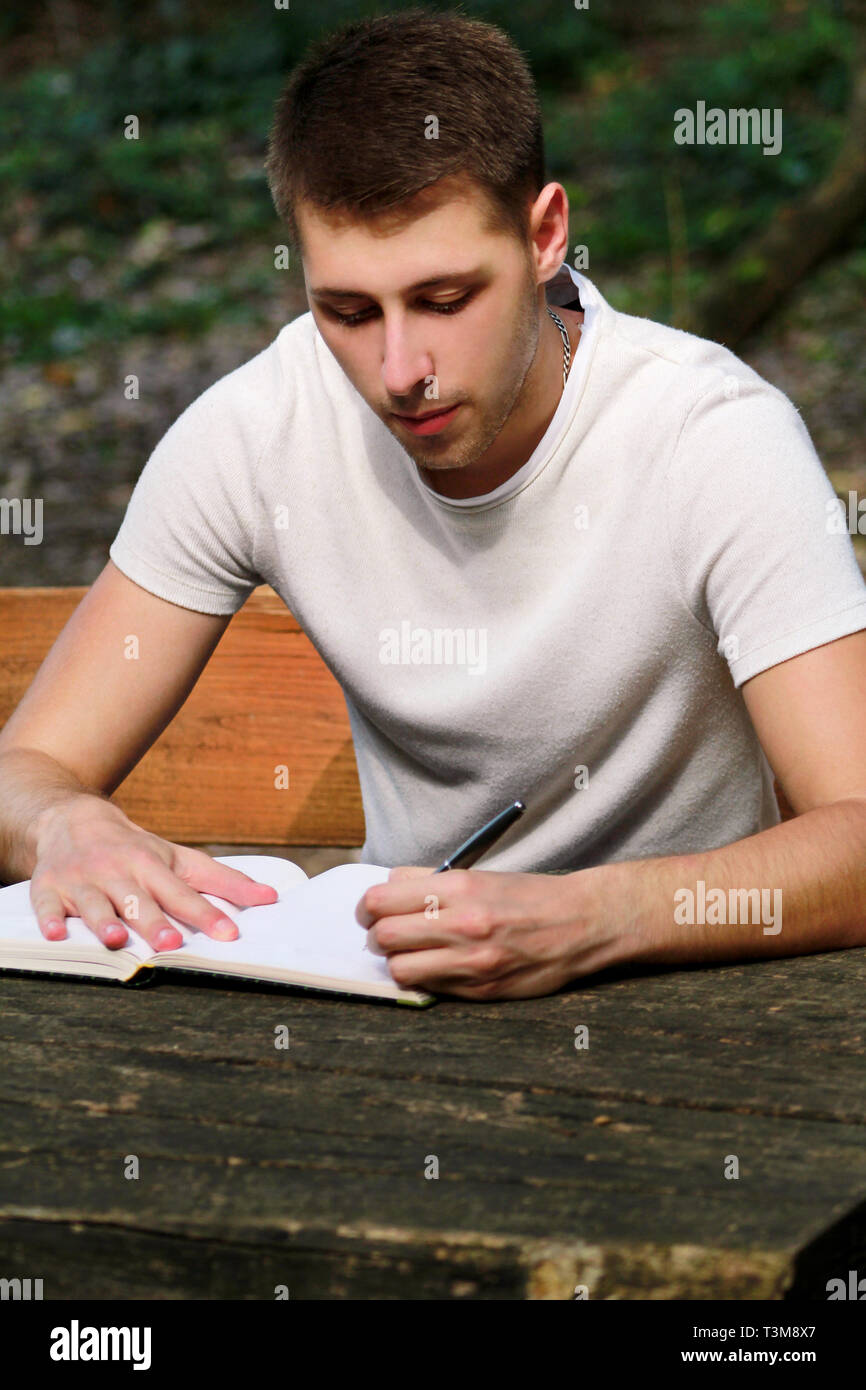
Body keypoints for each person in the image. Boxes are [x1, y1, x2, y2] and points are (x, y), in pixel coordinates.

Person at [2, 10, 866, 1001]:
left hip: (697, 1012)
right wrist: (66, 823)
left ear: (544, 234)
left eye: (446, 300)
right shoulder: (254, 432)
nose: (399, 371)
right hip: (382, 999)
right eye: (348, 312)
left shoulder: (712, 436)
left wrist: (595, 916)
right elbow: (27, 766)